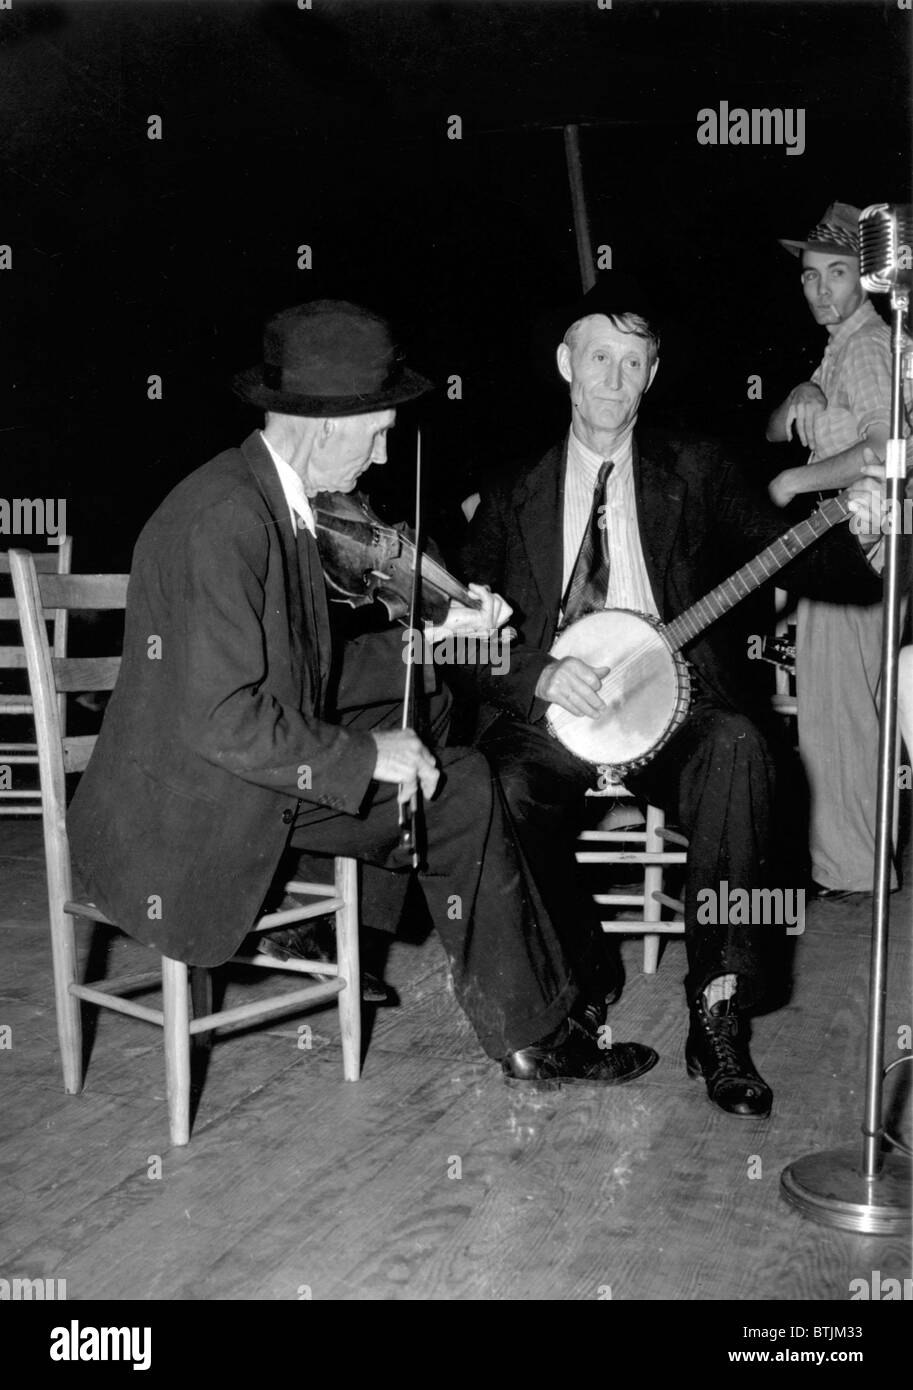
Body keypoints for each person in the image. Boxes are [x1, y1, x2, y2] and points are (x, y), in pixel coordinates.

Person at [68, 298, 657, 1088]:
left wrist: (432, 643)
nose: (383, 456)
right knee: (455, 785)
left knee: (432, 722)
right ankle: (535, 1032)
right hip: (186, 817)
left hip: (218, 775)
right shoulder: (225, 522)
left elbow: (303, 672)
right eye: (376, 433)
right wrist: (365, 754)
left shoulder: (264, 496)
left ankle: (394, 950)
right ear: (323, 427)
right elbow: (223, 719)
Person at [454, 274, 885, 1118]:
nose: (613, 380)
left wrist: (861, 522)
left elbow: (799, 555)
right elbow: (462, 641)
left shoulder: (697, 469)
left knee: (740, 747)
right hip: (554, 716)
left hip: (678, 709)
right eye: (599, 358)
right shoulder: (509, 492)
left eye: (633, 363)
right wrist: (537, 674)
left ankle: (717, 1010)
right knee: (497, 786)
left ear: (651, 375)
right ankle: (579, 972)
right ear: (565, 364)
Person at [767, 201, 912, 901]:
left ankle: (851, 870)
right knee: (847, 702)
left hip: (861, 535)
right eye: (808, 276)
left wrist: (793, 480)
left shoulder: (866, 346)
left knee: (837, 706)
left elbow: (887, 451)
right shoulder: (839, 350)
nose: (819, 289)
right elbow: (775, 429)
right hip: (851, 536)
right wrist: (803, 389)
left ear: (866, 278)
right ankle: (855, 862)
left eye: (837, 273)